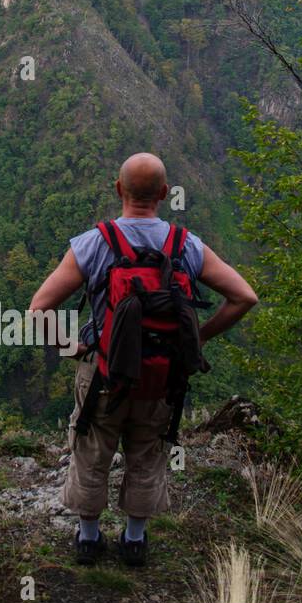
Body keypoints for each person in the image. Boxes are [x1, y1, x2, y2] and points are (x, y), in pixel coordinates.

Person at [27, 153, 259, 567]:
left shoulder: (95, 243)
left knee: (91, 450)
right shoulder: (185, 245)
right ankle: (135, 540)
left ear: (119, 190)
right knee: (148, 453)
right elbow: (244, 297)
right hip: (162, 376)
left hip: (103, 373)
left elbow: (38, 309)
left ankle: (88, 537)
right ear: (165, 195)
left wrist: (73, 348)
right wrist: (197, 340)